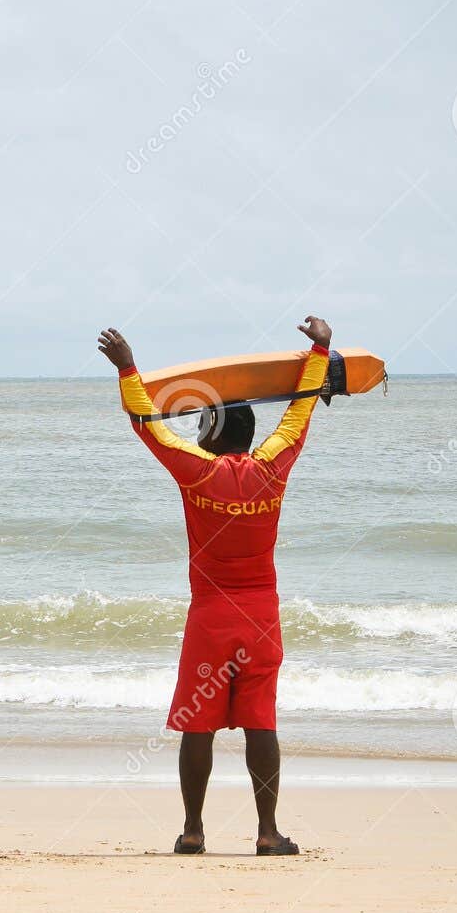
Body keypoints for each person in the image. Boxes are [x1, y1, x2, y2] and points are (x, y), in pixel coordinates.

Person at [98, 317, 333, 857]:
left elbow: (148, 426)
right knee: (261, 723)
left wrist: (128, 367)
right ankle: (268, 833)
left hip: (209, 618)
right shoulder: (274, 467)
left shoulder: (196, 471)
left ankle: (192, 831)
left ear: (209, 432)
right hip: (261, 618)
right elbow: (299, 415)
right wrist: (320, 351)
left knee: (197, 724)